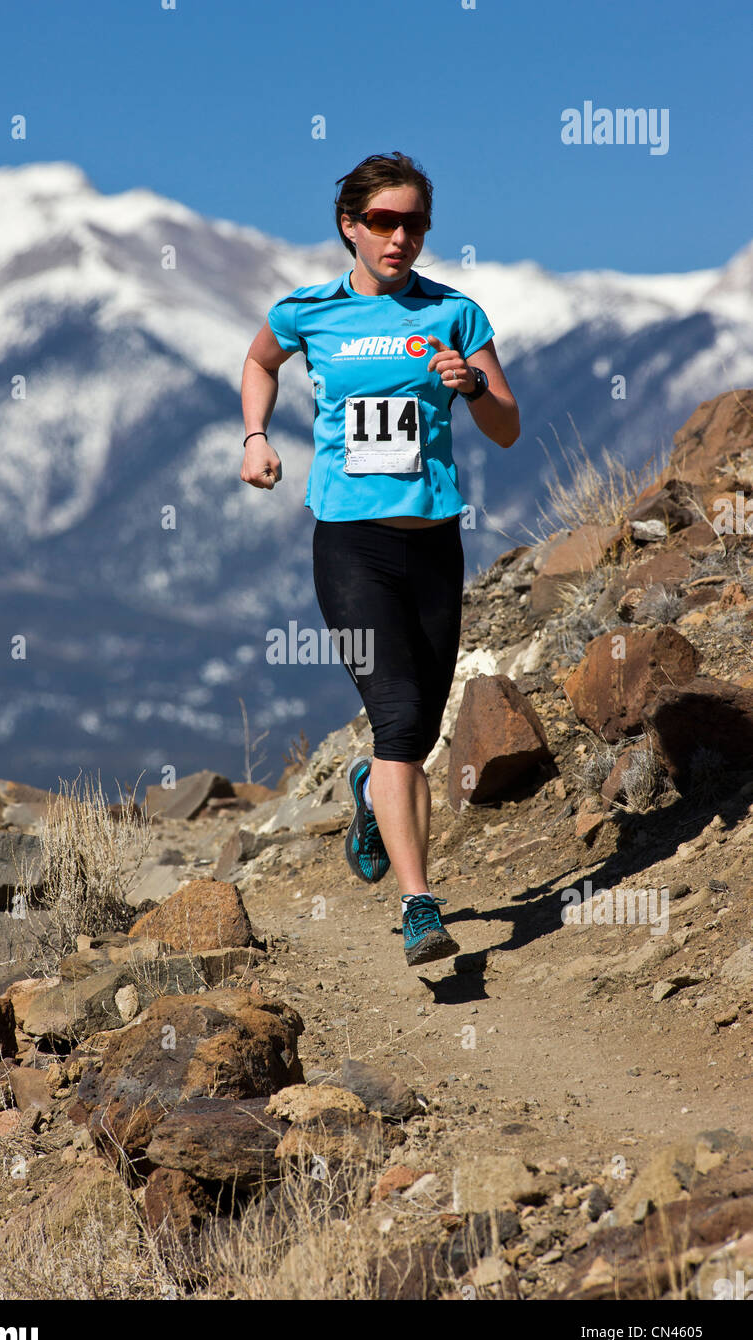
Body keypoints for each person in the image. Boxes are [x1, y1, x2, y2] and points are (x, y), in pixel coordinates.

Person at [240, 151, 519, 967]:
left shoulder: (456, 315)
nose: (401, 237)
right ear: (350, 227)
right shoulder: (306, 311)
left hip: (434, 544)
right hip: (351, 546)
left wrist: (470, 387)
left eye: (416, 223)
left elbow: (505, 424)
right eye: (385, 221)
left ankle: (368, 791)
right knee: (397, 720)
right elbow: (260, 360)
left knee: (417, 733)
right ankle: (419, 907)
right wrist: (256, 436)